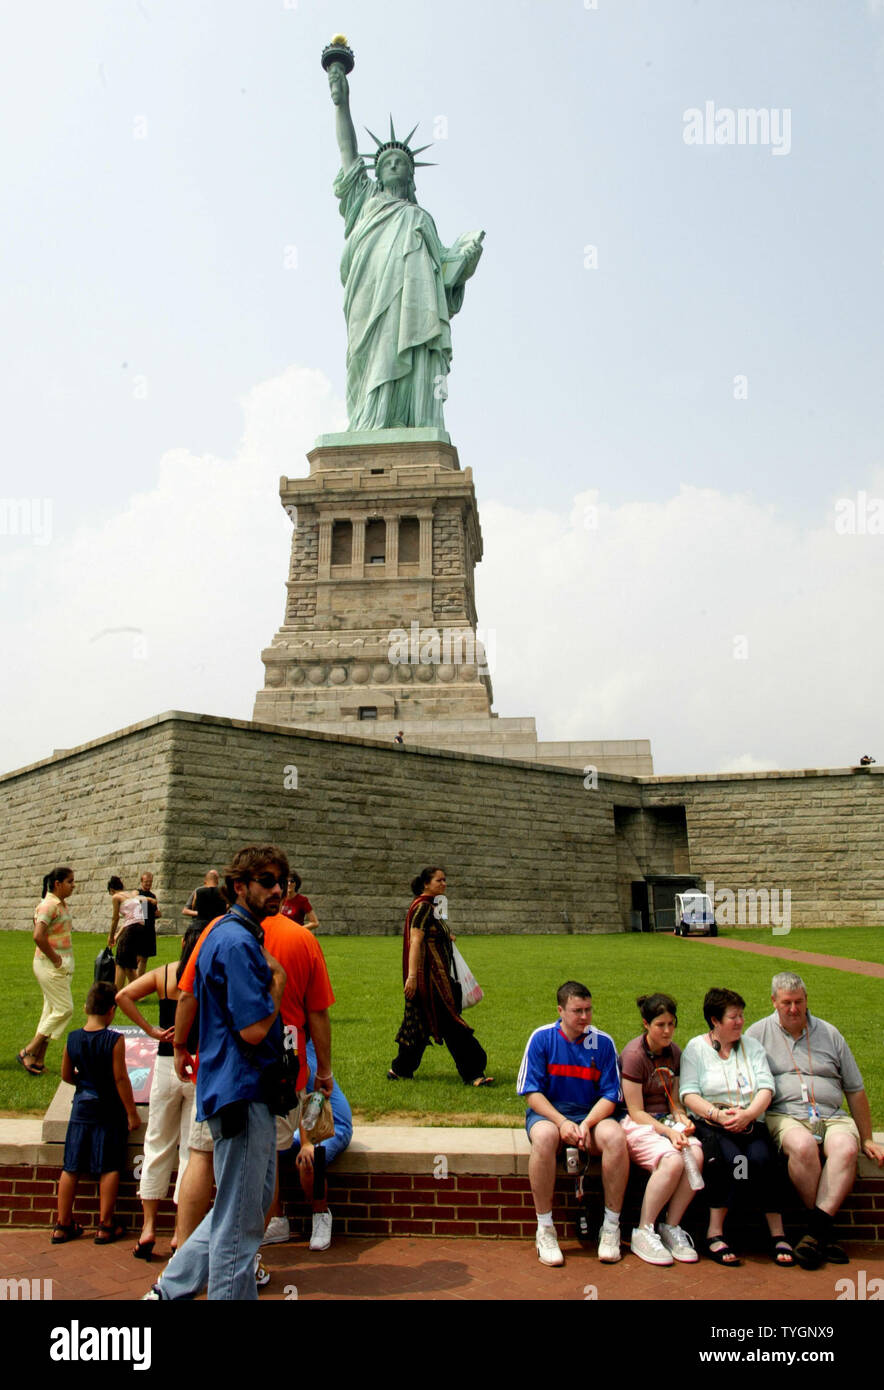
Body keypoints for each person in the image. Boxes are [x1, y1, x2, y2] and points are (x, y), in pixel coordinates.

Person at [143, 845, 288, 1301]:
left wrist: (183, 1044)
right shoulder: (239, 941)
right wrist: (278, 985)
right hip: (243, 1093)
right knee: (239, 1228)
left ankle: (170, 1290)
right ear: (239, 886)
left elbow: (188, 997)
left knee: (241, 1208)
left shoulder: (219, 932)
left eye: (281, 880)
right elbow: (252, 1030)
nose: (278, 889)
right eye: (266, 881)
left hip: (236, 1089)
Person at [326, 58, 484, 430]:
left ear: (411, 176)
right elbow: (348, 152)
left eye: (401, 162)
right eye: (387, 161)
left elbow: (444, 274)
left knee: (412, 349)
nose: (395, 165)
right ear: (377, 174)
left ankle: (410, 420)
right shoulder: (365, 202)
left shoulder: (421, 218)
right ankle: (370, 421)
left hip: (413, 307)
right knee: (370, 358)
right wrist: (340, 102)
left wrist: (466, 258)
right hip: (370, 295)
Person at [746, 971, 884, 1269]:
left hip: (832, 1115)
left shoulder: (830, 1034)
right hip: (787, 1116)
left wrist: (868, 1138)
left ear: (807, 1000)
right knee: (803, 1146)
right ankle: (824, 1233)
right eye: (787, 1003)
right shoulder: (757, 1035)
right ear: (774, 1002)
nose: (794, 1009)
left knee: (847, 1149)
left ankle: (816, 1233)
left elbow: (855, 1090)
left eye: (799, 1002)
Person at [680, 987, 794, 1267]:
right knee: (730, 1160)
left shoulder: (752, 1047)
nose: (741, 1022)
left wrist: (749, 1114)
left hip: (749, 1121)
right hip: (713, 1124)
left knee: (763, 1159)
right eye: (734, 1017)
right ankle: (715, 1232)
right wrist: (718, 1117)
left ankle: (777, 1233)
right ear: (715, 1021)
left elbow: (766, 1086)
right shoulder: (696, 1048)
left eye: (742, 1015)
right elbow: (689, 1094)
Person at [517, 980, 628, 1267]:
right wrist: (563, 1122)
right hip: (551, 1113)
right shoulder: (542, 1038)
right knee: (544, 1138)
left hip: (592, 1114)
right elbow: (532, 1093)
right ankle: (545, 1228)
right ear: (560, 1011)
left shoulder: (603, 1042)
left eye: (588, 1010)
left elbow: (611, 1096)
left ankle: (611, 1226)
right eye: (577, 1010)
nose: (584, 1017)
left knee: (615, 1138)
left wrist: (587, 1123)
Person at [115, 928, 201, 1259]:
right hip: (197, 1066)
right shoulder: (207, 979)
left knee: (157, 1144)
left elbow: (122, 996)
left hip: (165, 1067)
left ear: (182, 944)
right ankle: (180, 1232)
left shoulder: (164, 973)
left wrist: (150, 1030)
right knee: (192, 1153)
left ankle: (148, 1227)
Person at [52, 981, 139, 1244]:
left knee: (71, 1167)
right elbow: (121, 1078)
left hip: (81, 1109)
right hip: (109, 1111)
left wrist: (85, 1082)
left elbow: (67, 1074)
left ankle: (62, 1223)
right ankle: (105, 1224)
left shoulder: (73, 1038)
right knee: (109, 1166)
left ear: (85, 1007)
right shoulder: (114, 1040)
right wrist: (132, 1113)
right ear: (112, 1010)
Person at [619, 992, 703, 1265]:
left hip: (666, 1122)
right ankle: (644, 1229)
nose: (668, 1031)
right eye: (660, 1025)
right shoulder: (634, 1055)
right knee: (671, 1161)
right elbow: (635, 1111)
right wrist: (668, 1132)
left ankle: (672, 1227)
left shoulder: (674, 1052)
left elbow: (674, 1101)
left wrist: (683, 1118)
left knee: (697, 1155)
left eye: (671, 1024)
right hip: (639, 1123)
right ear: (646, 1024)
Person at [388, 867, 491, 1086]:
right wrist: (413, 977)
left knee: (417, 1023)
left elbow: (435, 931)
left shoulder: (434, 905)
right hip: (430, 980)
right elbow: (415, 941)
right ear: (426, 883)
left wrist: (447, 937)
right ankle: (474, 1072)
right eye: (439, 880)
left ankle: (400, 1069)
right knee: (451, 1023)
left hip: (434, 976)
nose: (443, 884)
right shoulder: (423, 906)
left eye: (445, 880)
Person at [263, 1040, 353, 1252]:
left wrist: (306, 1143)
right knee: (267, 1150)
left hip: (329, 1125)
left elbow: (310, 1106)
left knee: (309, 1159)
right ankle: (277, 1221)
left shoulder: (301, 1053)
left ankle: (321, 1214)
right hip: (300, 1125)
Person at [19, 867, 75, 1076]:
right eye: (70, 881)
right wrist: (57, 960)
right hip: (50, 964)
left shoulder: (59, 904)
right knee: (64, 1009)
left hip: (59, 963)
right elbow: (38, 935)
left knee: (51, 1011)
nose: (73, 885)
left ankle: (38, 1060)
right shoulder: (49, 905)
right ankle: (29, 1050)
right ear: (58, 884)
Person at [107, 877, 150, 991]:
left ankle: (141, 991)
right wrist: (117, 936)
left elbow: (115, 919)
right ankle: (117, 993)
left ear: (112, 890)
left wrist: (111, 937)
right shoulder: (132, 895)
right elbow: (131, 918)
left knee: (126, 965)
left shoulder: (116, 897)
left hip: (132, 929)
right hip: (140, 928)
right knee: (123, 963)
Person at [135, 871, 162, 977]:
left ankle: (139, 981)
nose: (148, 884)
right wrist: (149, 900)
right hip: (139, 929)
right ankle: (132, 982)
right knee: (137, 958)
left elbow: (153, 913)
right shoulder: (138, 893)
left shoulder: (153, 895)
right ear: (142, 881)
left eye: (150, 882)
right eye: (146, 882)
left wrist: (158, 914)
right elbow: (136, 901)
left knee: (145, 958)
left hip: (149, 929)